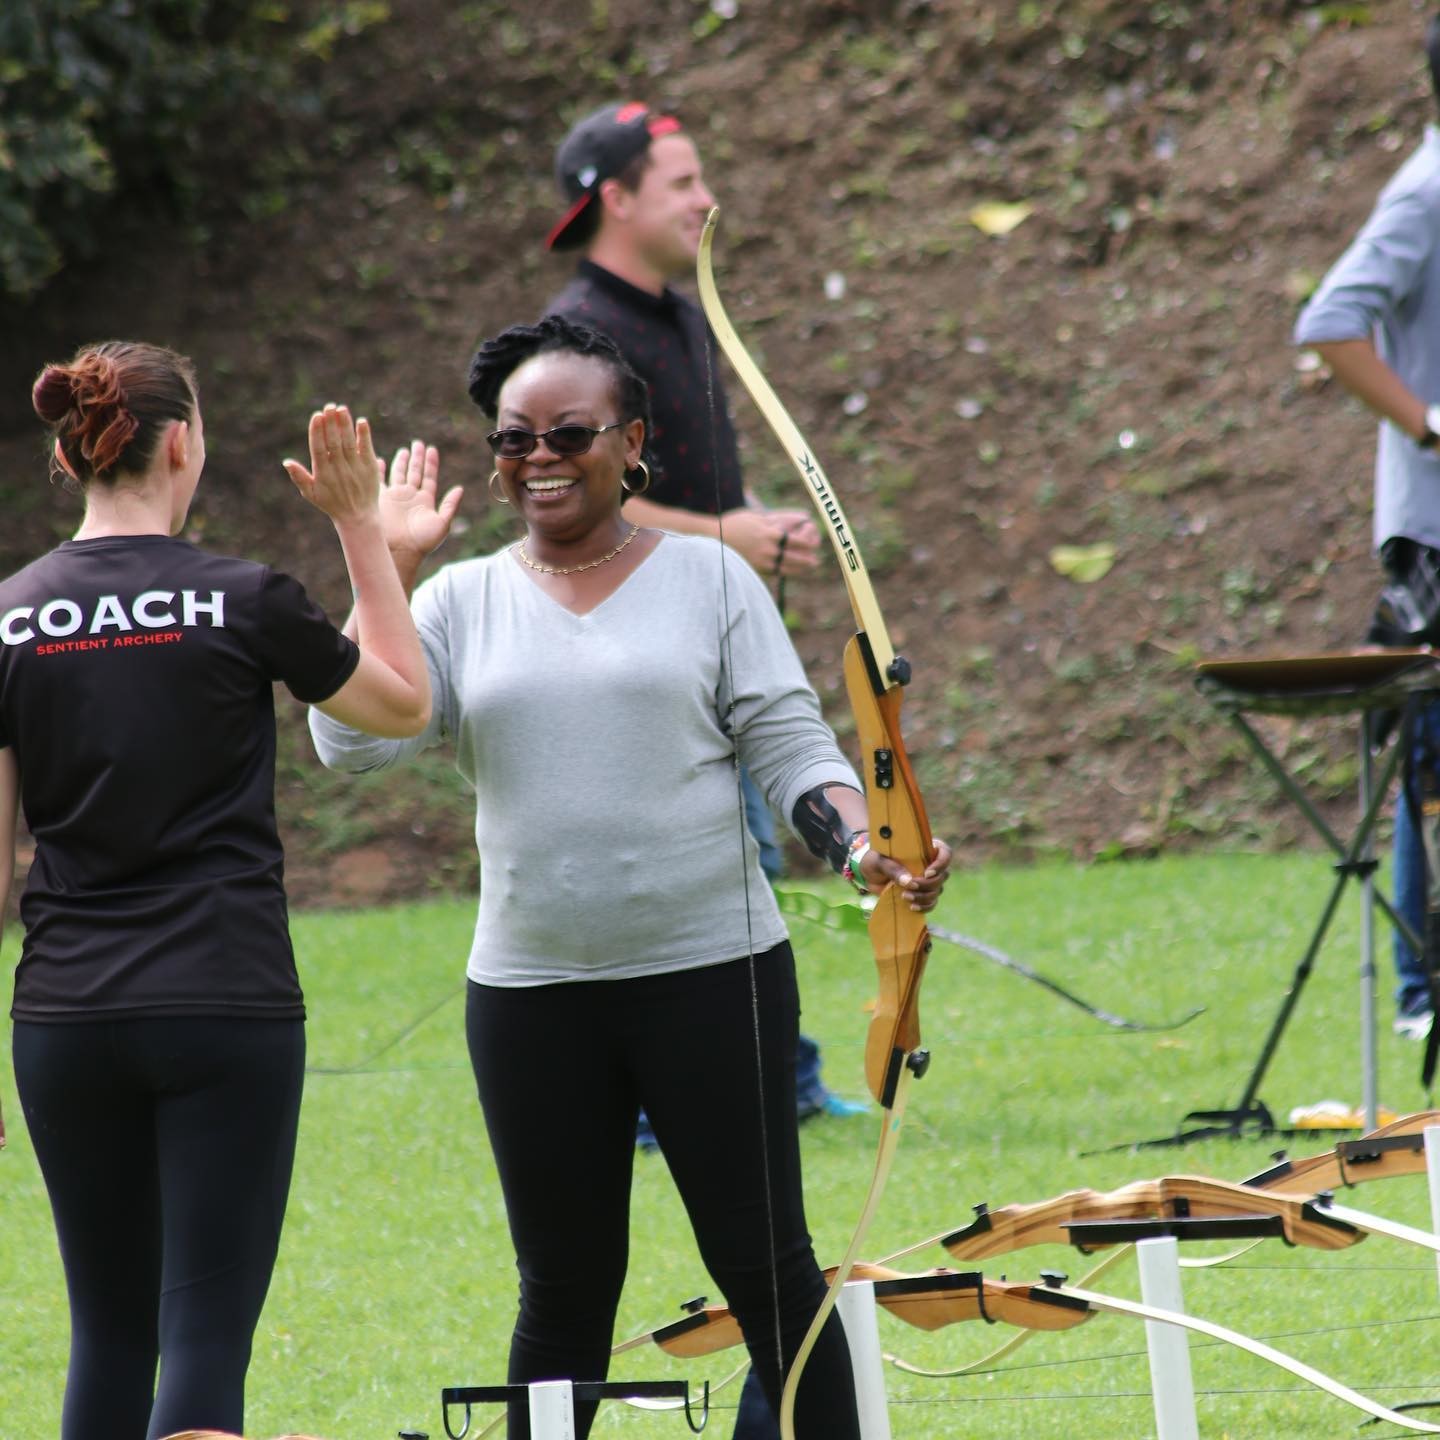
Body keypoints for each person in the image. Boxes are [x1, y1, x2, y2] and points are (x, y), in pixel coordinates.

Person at [307, 315, 953, 1440]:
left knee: (770, 1274)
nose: (539, 458)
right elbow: (348, 743)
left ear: (633, 441)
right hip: (529, 996)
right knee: (562, 1293)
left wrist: (860, 845)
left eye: (568, 433)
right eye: (513, 441)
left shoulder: (707, 580)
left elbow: (793, 747)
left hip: (712, 980)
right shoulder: (456, 600)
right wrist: (388, 563)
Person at [1, 340, 433, 1440]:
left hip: (65, 1018)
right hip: (221, 1002)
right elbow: (399, 706)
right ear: (182, 442)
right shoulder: (241, 596)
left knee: (105, 1338)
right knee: (200, 1343)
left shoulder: (10, 615)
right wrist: (359, 528)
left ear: (74, 452)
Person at [542, 100, 857, 1129]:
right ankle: (673, 1104)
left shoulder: (681, 312)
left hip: (709, 630)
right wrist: (730, 536)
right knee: (716, 863)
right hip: (635, 653)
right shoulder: (583, 333)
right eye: (682, 183)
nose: (707, 200)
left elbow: (675, 473)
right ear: (617, 197)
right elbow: (584, 496)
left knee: (746, 863)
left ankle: (782, 1082)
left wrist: (750, 519)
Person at [1294, 13, 1440, 1041]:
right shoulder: (1427, 192)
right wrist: (1427, 423)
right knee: (1428, 765)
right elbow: (1330, 320)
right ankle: (1421, 995)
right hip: (1435, 535)